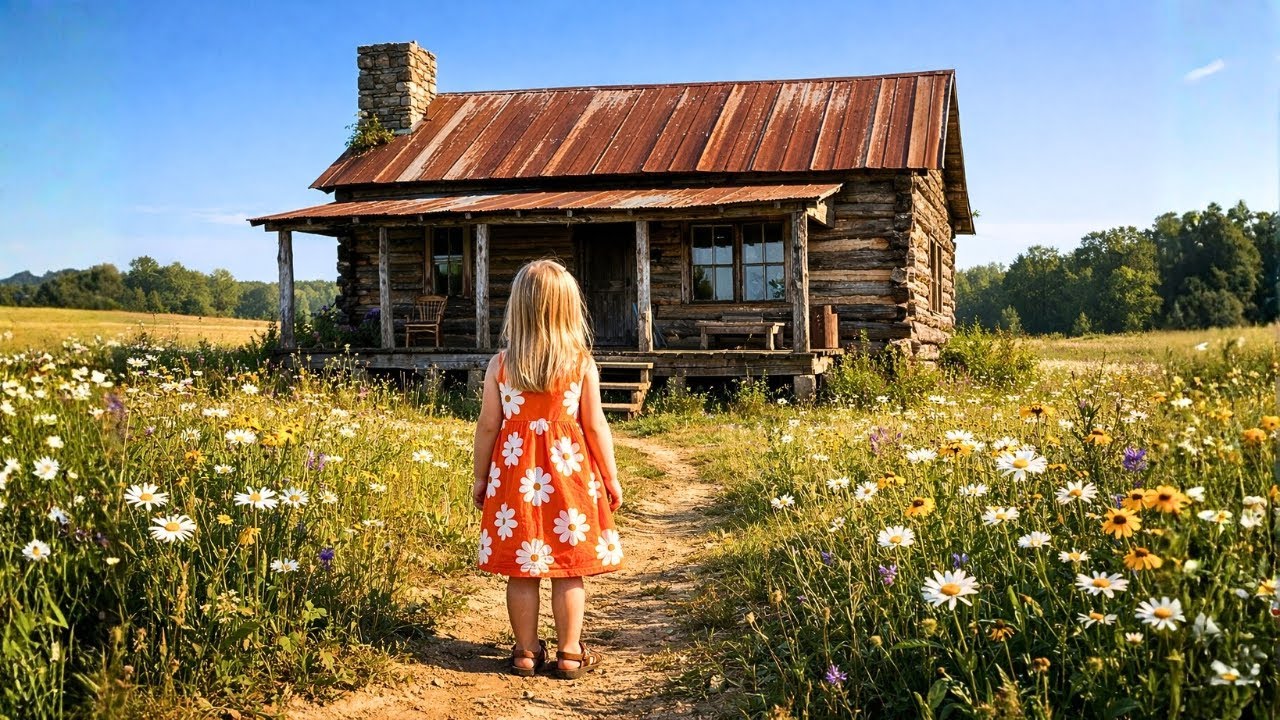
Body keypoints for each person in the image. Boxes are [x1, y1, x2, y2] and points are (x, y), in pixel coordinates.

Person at [471, 259, 625, 679]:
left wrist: (481, 477)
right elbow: (595, 425)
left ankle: (524, 652)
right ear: (568, 308)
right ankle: (570, 652)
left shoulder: (501, 365)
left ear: (518, 308)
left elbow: (488, 426)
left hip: (514, 478)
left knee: (523, 568)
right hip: (569, 476)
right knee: (568, 565)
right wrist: (610, 477)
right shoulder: (580, 363)